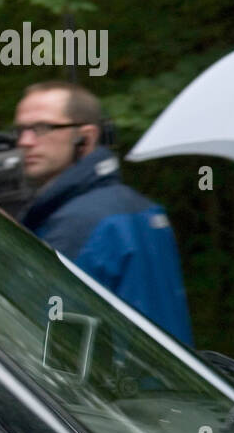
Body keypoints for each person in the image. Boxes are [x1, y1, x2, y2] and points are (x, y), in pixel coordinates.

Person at [13, 80, 193, 344]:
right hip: (174, 369)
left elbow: (27, 329)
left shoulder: (77, 223)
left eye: (42, 128)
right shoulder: (143, 208)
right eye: (20, 130)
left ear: (86, 137)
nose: (25, 141)